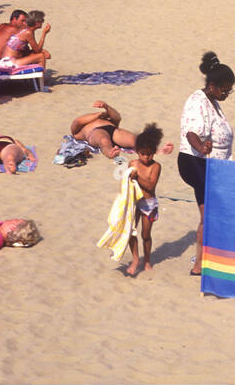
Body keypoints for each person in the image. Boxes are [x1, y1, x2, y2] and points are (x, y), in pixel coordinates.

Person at [180, 51, 235, 277]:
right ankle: (200, 264)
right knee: (210, 213)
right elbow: (192, 132)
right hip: (195, 162)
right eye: (224, 89)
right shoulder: (197, 101)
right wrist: (201, 146)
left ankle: (204, 262)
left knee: (211, 213)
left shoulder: (212, 101)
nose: (227, 94)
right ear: (212, 85)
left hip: (210, 164)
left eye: (229, 90)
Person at [125, 124, 164, 277]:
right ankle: (136, 259)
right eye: (143, 154)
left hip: (148, 204)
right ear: (137, 152)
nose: (146, 157)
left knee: (145, 235)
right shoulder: (132, 164)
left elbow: (150, 186)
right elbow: (126, 183)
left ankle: (147, 259)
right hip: (135, 202)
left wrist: (137, 177)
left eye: (149, 154)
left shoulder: (156, 167)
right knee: (130, 232)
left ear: (154, 153)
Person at [69, 100, 140, 158]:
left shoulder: (106, 119)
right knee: (104, 141)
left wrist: (106, 106)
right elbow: (77, 121)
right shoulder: (77, 132)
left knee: (135, 140)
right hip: (95, 131)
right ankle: (111, 152)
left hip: (113, 130)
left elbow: (117, 117)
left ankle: (147, 147)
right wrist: (100, 114)